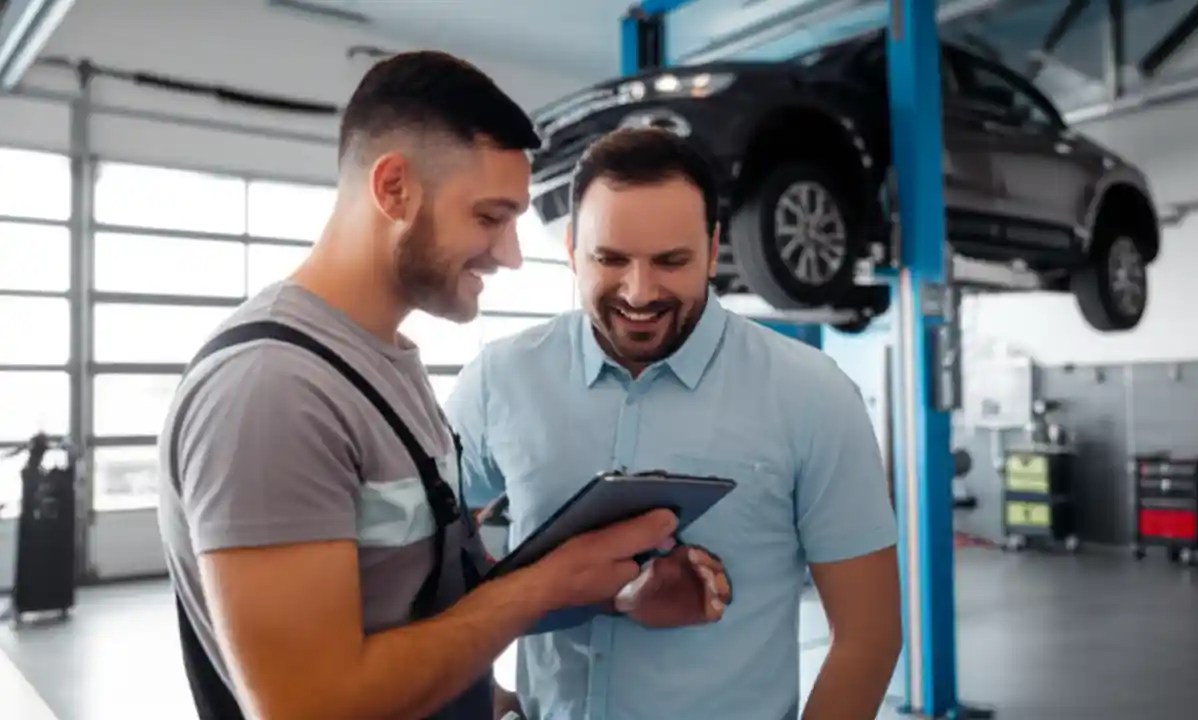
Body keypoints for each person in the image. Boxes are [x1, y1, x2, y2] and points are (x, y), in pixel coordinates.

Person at [156, 52, 711, 720]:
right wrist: (541, 587)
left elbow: (414, 605)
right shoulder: (272, 392)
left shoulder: (384, 363)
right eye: (490, 217)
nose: (510, 254)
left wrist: (502, 687)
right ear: (394, 189)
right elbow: (306, 706)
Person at [446, 127, 903, 720]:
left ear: (712, 251)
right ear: (572, 249)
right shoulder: (501, 379)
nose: (639, 293)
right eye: (611, 259)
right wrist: (474, 695)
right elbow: (426, 565)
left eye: (671, 261)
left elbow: (869, 636)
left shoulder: (813, 395)